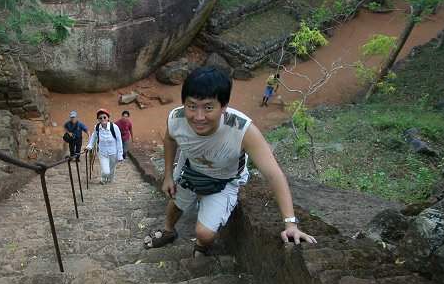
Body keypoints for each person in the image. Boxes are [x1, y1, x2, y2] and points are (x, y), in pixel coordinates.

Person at [143, 66, 316, 256]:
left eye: (208, 107)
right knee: (177, 201)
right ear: (184, 103)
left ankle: (202, 245)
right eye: (191, 106)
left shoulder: (242, 130)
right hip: (190, 167)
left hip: (225, 178)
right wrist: (168, 175)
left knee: (205, 233)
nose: (199, 117)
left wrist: (290, 223)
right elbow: (169, 139)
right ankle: (169, 230)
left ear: (223, 106)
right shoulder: (176, 118)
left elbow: (273, 174)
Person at [86, 108, 123, 184]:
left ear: (108, 118)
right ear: (98, 119)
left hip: (113, 153)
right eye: (100, 118)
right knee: (106, 170)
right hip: (102, 153)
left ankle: (110, 179)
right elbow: (93, 137)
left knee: (112, 169)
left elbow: (119, 141)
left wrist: (120, 155)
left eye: (104, 117)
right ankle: (103, 179)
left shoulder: (114, 127)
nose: (103, 119)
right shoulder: (97, 128)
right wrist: (89, 146)